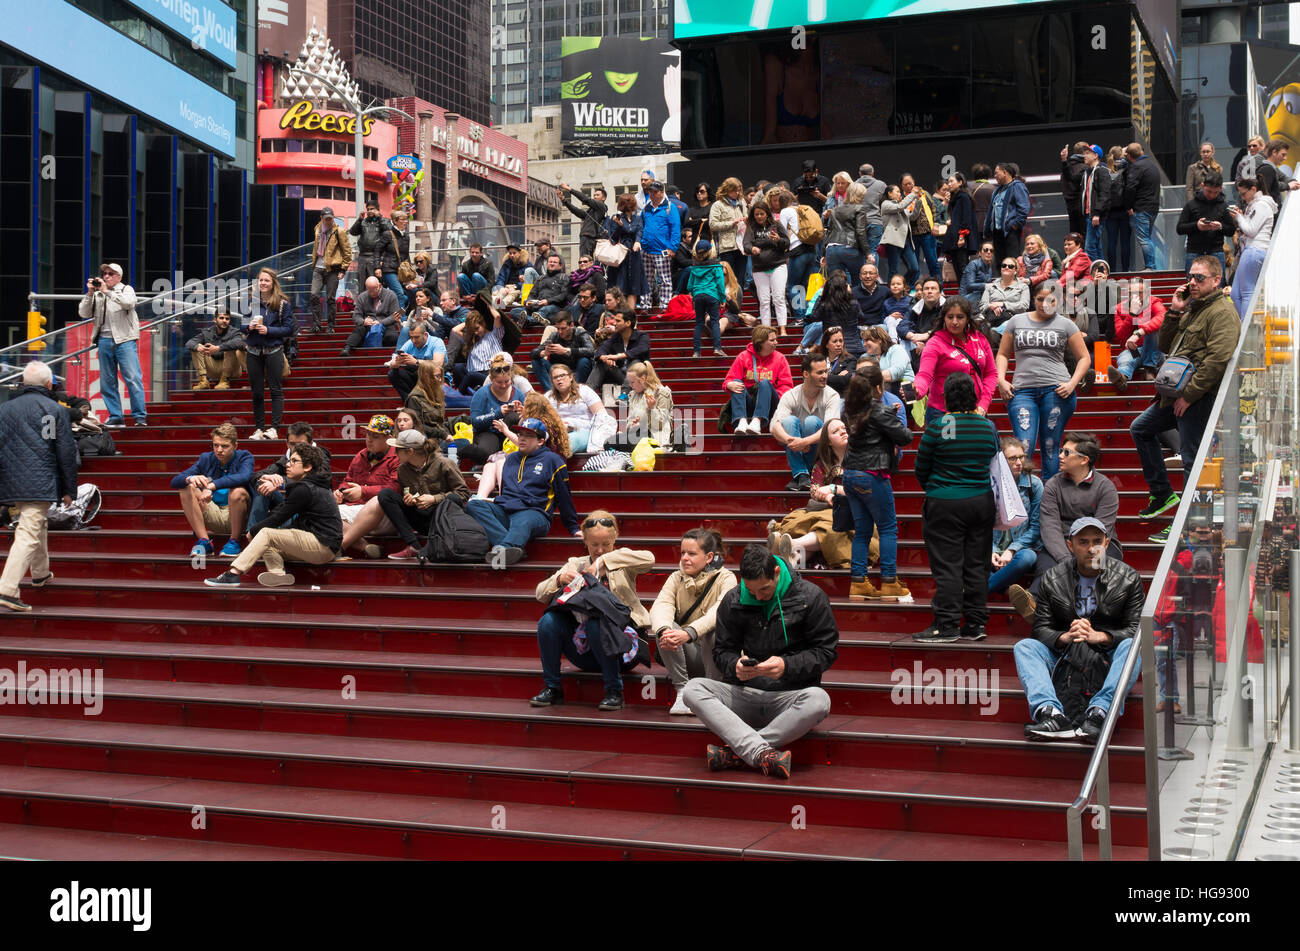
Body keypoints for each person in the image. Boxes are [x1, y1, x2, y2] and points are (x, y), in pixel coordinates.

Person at [681, 545, 837, 780]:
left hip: (791, 696)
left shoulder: (811, 596)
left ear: (776, 572)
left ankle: (739, 752)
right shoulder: (733, 600)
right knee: (693, 689)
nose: (758, 597)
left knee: (819, 701)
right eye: (751, 591)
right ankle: (761, 751)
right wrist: (734, 665)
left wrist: (787, 666)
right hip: (745, 693)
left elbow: (826, 652)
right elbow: (722, 651)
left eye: (764, 589)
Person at [1133, 257, 1241, 543]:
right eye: (1190, 277)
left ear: (1217, 280)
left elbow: (1218, 359)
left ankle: (1187, 528)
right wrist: (1173, 312)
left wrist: (1190, 396)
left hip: (1199, 397)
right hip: (1174, 395)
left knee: (1193, 462)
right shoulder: (1193, 309)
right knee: (1140, 428)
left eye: (1200, 278)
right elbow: (1167, 346)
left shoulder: (1222, 312)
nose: (1192, 282)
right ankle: (1163, 494)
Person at [1015, 516, 1144, 742]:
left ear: (1106, 543)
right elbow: (1040, 629)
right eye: (1083, 542)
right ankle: (1051, 713)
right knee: (1025, 647)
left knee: (1132, 647)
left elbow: (1137, 629)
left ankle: (1100, 713)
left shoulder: (1128, 578)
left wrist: (1101, 636)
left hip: (1108, 654)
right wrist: (1065, 636)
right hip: (1066, 654)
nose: (1091, 548)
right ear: (1070, 545)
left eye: (1097, 541)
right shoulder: (1052, 578)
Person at [529, 510, 654, 711]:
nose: (600, 550)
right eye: (594, 545)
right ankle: (553, 687)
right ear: (585, 542)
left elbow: (649, 559)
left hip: (624, 650)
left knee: (599, 622)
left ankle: (614, 691)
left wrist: (604, 561)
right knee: (548, 621)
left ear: (615, 539)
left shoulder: (622, 562)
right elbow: (539, 593)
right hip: (585, 651)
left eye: (606, 544)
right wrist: (559, 580)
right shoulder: (576, 563)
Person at [913, 372, 1000, 643]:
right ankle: (975, 624)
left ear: (946, 397)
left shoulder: (939, 426)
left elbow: (921, 469)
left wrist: (940, 488)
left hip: (945, 503)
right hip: (981, 501)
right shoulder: (987, 427)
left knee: (949, 565)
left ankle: (946, 625)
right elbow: (993, 463)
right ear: (973, 396)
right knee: (977, 564)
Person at [1010, 430, 1123, 618]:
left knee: (1100, 565)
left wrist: (1081, 553)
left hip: (1097, 543)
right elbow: (1050, 526)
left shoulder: (1105, 487)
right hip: (1061, 543)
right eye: (1061, 451)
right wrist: (1066, 559)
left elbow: (1101, 528)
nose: (1060, 456)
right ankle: (1033, 604)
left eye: (1066, 453)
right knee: (1047, 566)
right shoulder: (1053, 485)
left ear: (1084, 460)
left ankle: (1098, 611)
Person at [0, 362, 79, 612]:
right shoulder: (53, 410)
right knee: (28, 532)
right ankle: (7, 589)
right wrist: (69, 489)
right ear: (49, 384)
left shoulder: (5, 409)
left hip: (11, 479)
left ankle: (40, 573)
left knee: (36, 523)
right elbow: (64, 451)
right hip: (40, 480)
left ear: (23, 382)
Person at [204, 444, 340, 588]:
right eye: (289, 460)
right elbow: (282, 512)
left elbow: (279, 518)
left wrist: (253, 531)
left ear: (307, 467)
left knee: (265, 533)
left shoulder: (305, 489)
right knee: (266, 542)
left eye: (294, 461)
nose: (288, 464)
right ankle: (278, 575)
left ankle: (233, 574)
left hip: (323, 546)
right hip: (323, 546)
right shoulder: (310, 485)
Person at [995, 281, 1091, 479]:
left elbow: (1085, 358)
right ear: (1033, 299)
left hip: (1056, 390)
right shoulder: (1016, 321)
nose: (1045, 304)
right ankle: (1021, 497)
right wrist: (1001, 380)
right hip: (1022, 390)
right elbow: (1002, 354)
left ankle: (1050, 499)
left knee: (1050, 446)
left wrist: (1073, 383)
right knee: (1024, 445)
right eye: (1040, 299)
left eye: (1051, 300)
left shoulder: (1066, 324)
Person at [841, 363, 913, 602]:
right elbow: (905, 436)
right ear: (878, 387)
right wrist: (890, 415)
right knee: (887, 528)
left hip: (851, 474)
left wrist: (886, 414)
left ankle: (858, 583)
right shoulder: (879, 410)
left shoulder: (849, 410)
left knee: (861, 531)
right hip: (873, 475)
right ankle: (890, 583)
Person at [466, 418, 581, 565]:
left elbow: (564, 496)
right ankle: (511, 549)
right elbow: (505, 491)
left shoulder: (553, 460)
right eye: (520, 434)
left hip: (535, 513)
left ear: (540, 441)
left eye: (528, 435)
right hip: (506, 510)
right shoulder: (511, 458)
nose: (522, 438)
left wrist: (573, 527)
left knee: (524, 519)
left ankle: (505, 548)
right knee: (474, 505)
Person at [649, 530, 738, 715]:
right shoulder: (676, 577)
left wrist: (689, 632)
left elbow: (718, 612)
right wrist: (666, 630)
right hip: (687, 654)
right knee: (665, 629)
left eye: (691, 554)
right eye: (682, 553)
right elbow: (661, 605)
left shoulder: (726, 578)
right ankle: (683, 691)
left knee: (714, 631)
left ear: (709, 557)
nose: (685, 558)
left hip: (715, 657)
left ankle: (712, 691)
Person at [768, 417, 854, 570]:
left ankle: (792, 544)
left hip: (853, 513)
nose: (842, 432)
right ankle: (790, 564)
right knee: (805, 523)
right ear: (828, 442)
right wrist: (826, 496)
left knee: (829, 528)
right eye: (836, 431)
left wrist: (833, 489)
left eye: (843, 428)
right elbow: (814, 490)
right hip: (825, 509)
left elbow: (863, 488)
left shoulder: (859, 460)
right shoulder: (822, 464)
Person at [375, 429, 471, 562]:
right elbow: (407, 492)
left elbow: (463, 493)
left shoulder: (444, 463)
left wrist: (434, 499)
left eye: (398, 449)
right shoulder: (402, 470)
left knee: (451, 499)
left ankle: (434, 545)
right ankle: (413, 545)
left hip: (443, 519)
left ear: (410, 451)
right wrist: (410, 499)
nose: (394, 452)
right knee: (385, 495)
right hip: (421, 516)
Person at [171, 423, 253, 558]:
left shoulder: (244, 457)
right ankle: (204, 542)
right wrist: (191, 478)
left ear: (235, 446)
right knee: (187, 488)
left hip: (239, 515)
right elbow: (175, 481)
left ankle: (234, 541)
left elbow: (244, 477)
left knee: (237, 491)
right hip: (214, 512)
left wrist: (211, 486)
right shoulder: (206, 458)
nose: (219, 450)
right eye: (216, 445)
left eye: (224, 446)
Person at [78, 262, 145, 428]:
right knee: (107, 382)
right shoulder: (98, 294)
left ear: (118, 277)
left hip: (125, 340)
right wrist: (90, 292)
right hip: (104, 340)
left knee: (133, 378)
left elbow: (129, 303)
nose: (106, 276)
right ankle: (116, 416)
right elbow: (83, 313)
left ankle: (139, 417)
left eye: (110, 273)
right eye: (104, 273)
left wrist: (108, 292)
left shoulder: (125, 289)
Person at [913, 296, 997, 426]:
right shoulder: (935, 343)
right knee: (948, 447)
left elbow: (991, 374)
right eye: (950, 317)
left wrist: (984, 404)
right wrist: (917, 389)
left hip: (976, 411)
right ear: (944, 318)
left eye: (960, 317)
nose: (955, 322)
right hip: (942, 412)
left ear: (968, 318)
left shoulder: (980, 339)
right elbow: (924, 374)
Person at [772, 351, 842, 491]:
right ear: (806, 374)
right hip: (798, 448)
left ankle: (804, 474)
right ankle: (801, 474)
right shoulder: (790, 395)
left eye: (826, 371)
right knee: (789, 421)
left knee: (811, 421)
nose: (825, 376)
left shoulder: (832, 395)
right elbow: (775, 426)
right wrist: (791, 441)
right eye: (820, 372)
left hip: (822, 452)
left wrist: (805, 441)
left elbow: (830, 429)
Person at [990, 437, 1043, 615]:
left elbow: (1036, 527)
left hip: (1021, 548)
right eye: (1013, 458)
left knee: (1027, 558)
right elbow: (981, 525)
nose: (1019, 462)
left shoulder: (1033, 484)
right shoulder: (990, 483)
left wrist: (1011, 550)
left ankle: (979, 591)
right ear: (1001, 461)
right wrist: (991, 551)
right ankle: (1002, 588)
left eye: (1021, 457)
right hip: (992, 545)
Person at [335, 415, 401, 558]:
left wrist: (363, 491)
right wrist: (341, 491)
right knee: (322, 509)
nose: (369, 439)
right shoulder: (361, 455)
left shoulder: (397, 457)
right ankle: (365, 546)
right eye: (368, 435)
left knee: (379, 500)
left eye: (375, 436)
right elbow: (347, 480)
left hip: (383, 514)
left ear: (388, 438)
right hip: (356, 509)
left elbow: (394, 489)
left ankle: (341, 546)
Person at [242, 267, 294, 442]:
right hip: (253, 351)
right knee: (257, 392)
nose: (263, 283)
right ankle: (259, 428)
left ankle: (274, 428)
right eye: (261, 280)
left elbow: (289, 328)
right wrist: (248, 327)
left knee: (275, 390)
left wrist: (268, 330)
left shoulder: (282, 304)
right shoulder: (250, 302)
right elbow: (241, 325)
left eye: (267, 280)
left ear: (273, 283)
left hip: (274, 350)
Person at [249, 422, 330, 528]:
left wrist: (281, 481)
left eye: (301, 444)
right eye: (292, 444)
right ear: (287, 443)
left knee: (289, 509)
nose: (296, 448)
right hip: (292, 503)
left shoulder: (320, 456)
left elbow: (321, 478)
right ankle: (251, 533)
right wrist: (268, 478)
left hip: (313, 507)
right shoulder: (286, 459)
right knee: (263, 484)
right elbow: (256, 476)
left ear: (311, 443)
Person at [724, 325, 794, 436]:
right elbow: (729, 380)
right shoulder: (743, 356)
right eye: (772, 340)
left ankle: (757, 421)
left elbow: (786, 386)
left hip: (770, 403)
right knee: (737, 382)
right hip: (749, 401)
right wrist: (729, 385)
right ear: (760, 342)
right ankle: (741, 421)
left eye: (776, 339)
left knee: (765, 383)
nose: (776, 342)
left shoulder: (780, 358)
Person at [1227, 177, 1277, 318]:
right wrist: (1241, 217)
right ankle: (1243, 326)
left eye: (1244, 194)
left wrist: (1239, 218)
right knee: (1235, 294)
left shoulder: (1261, 205)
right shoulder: (1256, 205)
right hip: (1250, 250)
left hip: (1254, 250)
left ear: (1254, 189)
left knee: (1247, 292)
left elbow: (1251, 230)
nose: (1242, 198)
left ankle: (1247, 329)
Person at [1108, 276, 1167, 391]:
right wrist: (1132, 314)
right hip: (1133, 350)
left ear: (1146, 293)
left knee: (1153, 328)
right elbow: (1121, 335)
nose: (1135, 296)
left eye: (1139, 293)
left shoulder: (1154, 302)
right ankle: (1122, 378)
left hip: (1153, 351)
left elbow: (1163, 317)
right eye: (1131, 293)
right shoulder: (1119, 308)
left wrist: (1139, 332)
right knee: (1125, 360)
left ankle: (1149, 369)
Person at [742, 199, 790, 335]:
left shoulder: (776, 224)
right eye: (756, 214)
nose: (759, 217)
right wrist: (752, 249)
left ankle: (782, 328)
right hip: (759, 268)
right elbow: (746, 244)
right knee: (764, 300)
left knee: (778, 297)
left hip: (777, 265)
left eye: (761, 214)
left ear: (767, 213)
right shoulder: (751, 227)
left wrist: (778, 240)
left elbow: (787, 242)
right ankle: (766, 329)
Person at [545, 363, 614, 454]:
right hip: (557, 432)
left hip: (582, 431)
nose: (559, 379)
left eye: (562, 375)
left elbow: (601, 415)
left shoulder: (584, 391)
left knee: (566, 442)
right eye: (555, 377)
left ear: (571, 377)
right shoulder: (548, 396)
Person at [1176, 171, 1234, 274]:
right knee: (1194, 285)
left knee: (1217, 285)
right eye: (1209, 191)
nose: (1211, 195)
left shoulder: (1223, 206)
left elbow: (1231, 230)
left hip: (1216, 251)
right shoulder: (1191, 205)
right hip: (1194, 251)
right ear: (1203, 186)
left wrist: (1220, 226)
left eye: (1215, 192)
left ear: (1220, 189)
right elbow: (1180, 228)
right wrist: (1197, 226)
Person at [586, 309, 650, 403]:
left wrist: (618, 356)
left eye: (618, 321)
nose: (615, 324)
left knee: (636, 363)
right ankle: (586, 393)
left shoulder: (642, 336)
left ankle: (624, 395)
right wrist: (604, 358)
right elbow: (601, 349)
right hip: (620, 376)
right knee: (601, 363)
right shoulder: (616, 337)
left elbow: (641, 349)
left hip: (638, 379)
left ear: (628, 323)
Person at [309, 207, 352, 332]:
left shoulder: (339, 231)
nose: (329, 221)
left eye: (331, 218)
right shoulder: (317, 229)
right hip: (318, 267)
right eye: (326, 219)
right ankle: (316, 324)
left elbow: (347, 251)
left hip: (333, 268)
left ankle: (331, 325)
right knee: (314, 296)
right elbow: (316, 247)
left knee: (330, 298)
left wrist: (343, 269)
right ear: (321, 218)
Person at [639, 180, 680, 310]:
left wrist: (672, 247)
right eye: (650, 191)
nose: (652, 194)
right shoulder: (646, 208)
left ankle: (665, 305)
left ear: (661, 192)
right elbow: (641, 226)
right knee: (646, 280)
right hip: (646, 249)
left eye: (655, 192)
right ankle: (645, 305)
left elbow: (675, 229)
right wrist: (641, 242)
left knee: (665, 280)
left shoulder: (669, 207)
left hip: (663, 250)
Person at [531, 311, 594, 392]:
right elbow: (533, 352)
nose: (560, 331)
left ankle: (576, 391)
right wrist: (544, 353)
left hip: (577, 370)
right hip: (558, 369)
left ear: (571, 325)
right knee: (536, 361)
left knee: (584, 360)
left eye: (563, 328)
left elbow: (591, 350)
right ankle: (551, 392)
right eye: (558, 328)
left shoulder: (580, 333)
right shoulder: (554, 335)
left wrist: (566, 350)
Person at [822, 182, 869, 290]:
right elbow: (860, 231)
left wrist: (823, 254)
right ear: (859, 195)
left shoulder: (835, 209)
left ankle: (837, 306)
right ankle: (856, 306)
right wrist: (867, 253)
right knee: (858, 283)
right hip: (851, 248)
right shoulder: (860, 208)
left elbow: (829, 231)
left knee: (835, 285)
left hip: (832, 248)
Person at [1122, 142, 1161, 271]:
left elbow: (1130, 188)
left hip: (1141, 208)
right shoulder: (1151, 165)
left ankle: (1150, 266)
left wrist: (1128, 206)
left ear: (1129, 156)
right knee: (1147, 238)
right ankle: (1150, 265)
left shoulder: (1137, 167)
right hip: (1153, 207)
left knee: (1144, 239)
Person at [685, 239, 727, 357]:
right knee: (714, 322)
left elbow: (689, 285)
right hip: (712, 295)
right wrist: (722, 299)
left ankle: (696, 351)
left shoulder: (694, 267)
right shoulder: (716, 266)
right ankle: (717, 348)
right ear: (710, 251)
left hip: (698, 296)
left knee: (699, 323)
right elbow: (720, 284)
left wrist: (695, 292)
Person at [341, 276, 402, 357]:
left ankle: (383, 353)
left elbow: (394, 315)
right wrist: (364, 321)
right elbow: (356, 315)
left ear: (379, 286)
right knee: (358, 331)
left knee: (392, 337)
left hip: (386, 324)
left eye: (374, 290)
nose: (372, 293)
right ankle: (347, 348)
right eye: (369, 291)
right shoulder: (362, 296)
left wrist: (381, 322)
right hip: (368, 325)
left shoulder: (391, 295)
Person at [385, 321, 446, 402]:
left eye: (417, 337)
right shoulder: (410, 343)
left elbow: (438, 364)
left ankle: (427, 402)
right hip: (416, 375)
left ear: (425, 335)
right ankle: (410, 403)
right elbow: (392, 363)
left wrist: (416, 362)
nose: (413, 340)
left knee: (423, 371)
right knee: (392, 374)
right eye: (411, 337)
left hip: (434, 375)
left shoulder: (436, 342)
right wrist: (396, 363)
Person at [604, 193, 646, 310]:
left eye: (630, 202)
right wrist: (619, 226)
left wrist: (638, 242)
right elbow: (612, 238)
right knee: (620, 285)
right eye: (626, 202)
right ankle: (620, 315)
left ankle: (631, 316)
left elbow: (639, 231)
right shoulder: (615, 218)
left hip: (634, 254)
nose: (629, 204)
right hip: (620, 255)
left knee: (634, 286)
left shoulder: (637, 218)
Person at [186, 311, 245, 390]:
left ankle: (225, 380)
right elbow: (189, 343)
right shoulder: (207, 332)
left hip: (232, 370)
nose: (224, 320)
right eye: (221, 318)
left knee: (231, 347)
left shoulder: (235, 332)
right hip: (213, 368)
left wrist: (218, 348)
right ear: (215, 320)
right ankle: (203, 381)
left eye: (227, 319)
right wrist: (198, 347)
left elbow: (239, 343)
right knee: (196, 347)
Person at [985, 162, 1031, 264]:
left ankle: (1014, 280)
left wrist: (1014, 225)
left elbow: (1024, 209)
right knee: (999, 262)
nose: (994, 176)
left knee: (1012, 261)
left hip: (1010, 231)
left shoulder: (1017, 186)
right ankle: (1002, 280)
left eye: (996, 173)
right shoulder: (997, 190)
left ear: (1005, 172)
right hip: (997, 232)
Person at [623, 361, 674, 449]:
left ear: (643, 379)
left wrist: (652, 408)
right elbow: (629, 422)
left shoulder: (661, 393)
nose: (630, 386)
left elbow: (660, 424)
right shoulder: (633, 395)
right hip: (636, 436)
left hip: (656, 439)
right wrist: (632, 425)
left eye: (632, 382)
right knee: (608, 443)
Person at [511, 252, 570, 327]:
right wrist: (528, 302)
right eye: (550, 262)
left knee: (545, 310)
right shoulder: (540, 278)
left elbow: (563, 295)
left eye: (554, 262)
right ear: (547, 264)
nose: (552, 264)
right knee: (514, 311)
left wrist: (547, 301)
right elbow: (532, 294)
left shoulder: (564, 278)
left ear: (560, 265)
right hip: (537, 306)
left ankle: (528, 321)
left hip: (554, 307)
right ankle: (531, 320)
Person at [708, 177, 749, 285]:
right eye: (734, 190)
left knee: (740, 279)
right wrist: (732, 223)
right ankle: (727, 301)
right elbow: (712, 225)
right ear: (727, 190)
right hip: (727, 247)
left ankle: (738, 300)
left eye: (739, 189)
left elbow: (746, 217)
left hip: (742, 246)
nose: (737, 192)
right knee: (728, 279)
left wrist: (747, 220)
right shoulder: (718, 205)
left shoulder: (742, 202)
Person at [879, 183, 920, 285]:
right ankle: (891, 293)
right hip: (893, 241)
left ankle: (903, 287)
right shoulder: (886, 204)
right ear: (889, 193)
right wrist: (912, 194)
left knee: (914, 268)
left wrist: (918, 201)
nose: (899, 194)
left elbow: (913, 216)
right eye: (897, 191)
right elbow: (900, 207)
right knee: (894, 270)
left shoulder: (900, 206)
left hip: (906, 241)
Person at [979, 255, 1030, 335]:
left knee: (1009, 324)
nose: (1006, 267)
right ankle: (996, 332)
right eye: (1004, 265)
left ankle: (997, 332)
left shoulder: (1023, 287)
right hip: (993, 318)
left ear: (1016, 271)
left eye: (1010, 266)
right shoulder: (991, 286)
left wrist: (1004, 305)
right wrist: (992, 306)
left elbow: (1024, 305)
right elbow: (982, 305)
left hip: (1013, 319)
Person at [558, 182, 608, 259]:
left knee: (585, 259)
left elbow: (585, 199)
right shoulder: (593, 210)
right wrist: (564, 200)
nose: (595, 197)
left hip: (589, 236)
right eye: (594, 195)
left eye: (597, 195)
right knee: (586, 258)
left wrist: (569, 189)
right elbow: (579, 213)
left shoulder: (601, 206)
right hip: (587, 236)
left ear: (603, 198)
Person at [863, 324, 913, 400]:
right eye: (863, 341)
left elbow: (897, 371)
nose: (864, 344)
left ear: (879, 339)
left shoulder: (896, 349)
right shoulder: (865, 357)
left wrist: (871, 378)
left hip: (905, 386)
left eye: (867, 340)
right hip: (883, 389)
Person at [404, 361, 450, 441]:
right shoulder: (414, 398)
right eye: (437, 376)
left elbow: (439, 423)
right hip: (427, 442)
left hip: (440, 437)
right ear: (426, 377)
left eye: (440, 376)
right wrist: (443, 434)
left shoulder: (436, 394)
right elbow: (417, 426)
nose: (440, 380)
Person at [943, 172, 977, 279]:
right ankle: (962, 293)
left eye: (952, 181)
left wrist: (962, 236)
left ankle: (966, 294)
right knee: (957, 269)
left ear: (960, 182)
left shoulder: (964, 197)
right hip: (953, 238)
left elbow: (966, 219)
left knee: (962, 268)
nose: (949, 184)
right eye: (948, 182)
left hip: (960, 238)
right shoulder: (954, 199)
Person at [379, 210, 411, 309]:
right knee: (399, 293)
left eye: (406, 219)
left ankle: (392, 310)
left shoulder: (406, 236)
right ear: (395, 221)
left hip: (402, 271)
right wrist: (377, 267)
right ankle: (402, 319)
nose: (406, 221)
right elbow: (377, 251)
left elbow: (406, 255)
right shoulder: (387, 234)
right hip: (389, 270)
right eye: (403, 219)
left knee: (411, 293)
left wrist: (410, 270)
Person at [960, 242, 996, 308]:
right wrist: (986, 285)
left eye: (991, 250)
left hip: (980, 296)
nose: (989, 252)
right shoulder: (973, 264)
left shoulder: (989, 268)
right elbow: (969, 285)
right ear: (980, 253)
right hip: (966, 298)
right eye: (986, 250)